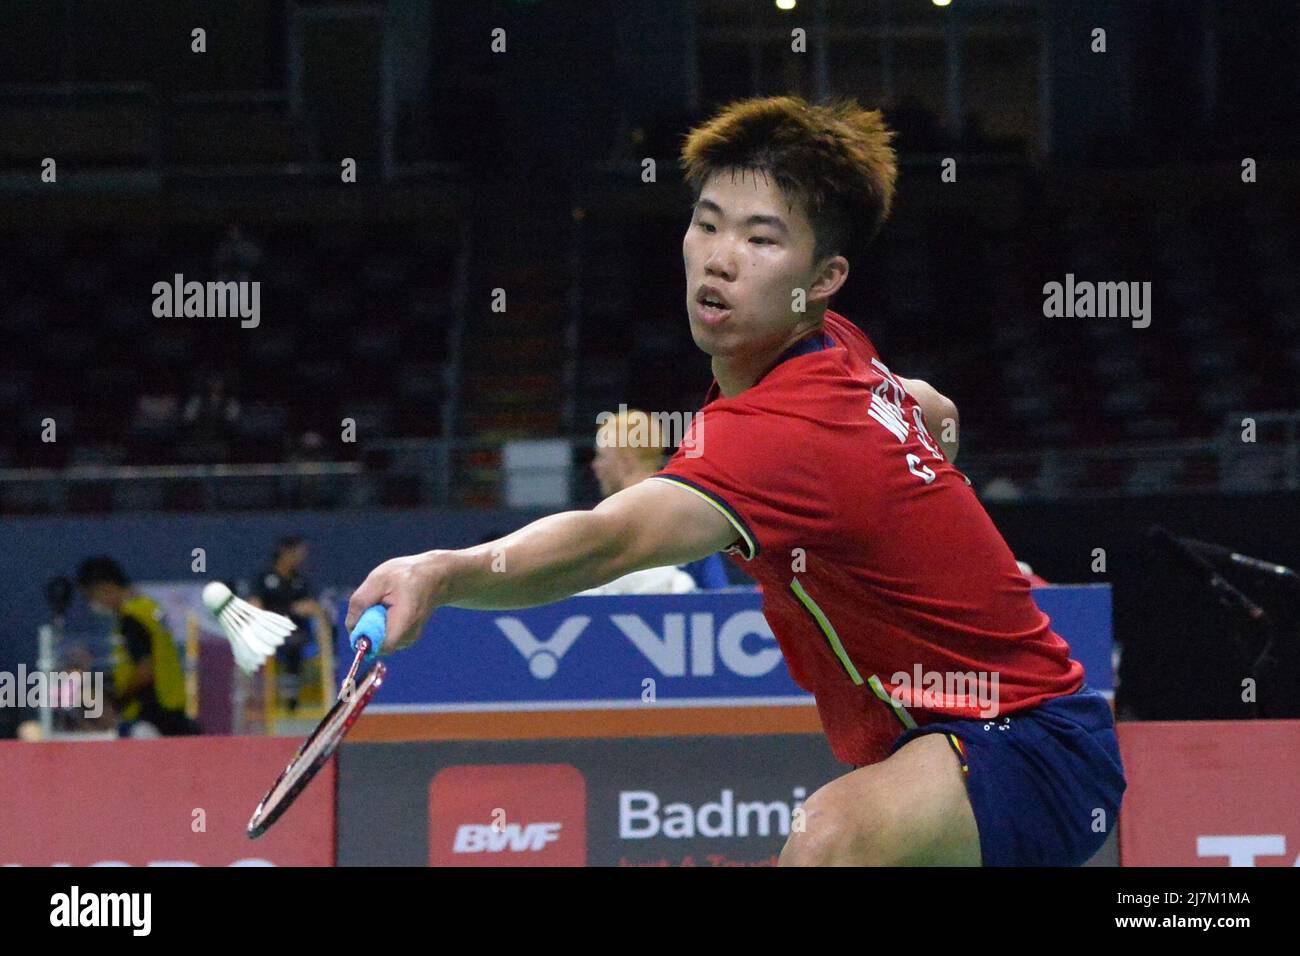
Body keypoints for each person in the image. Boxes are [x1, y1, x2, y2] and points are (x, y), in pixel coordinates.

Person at [346, 96, 1125, 866]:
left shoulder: (785, 431)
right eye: (707, 223)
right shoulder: (834, 351)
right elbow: (934, 409)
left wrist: (442, 573)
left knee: (830, 840)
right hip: (969, 736)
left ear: (824, 278)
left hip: (1023, 743)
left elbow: (608, 542)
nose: (719, 257)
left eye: (761, 239)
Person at [587, 406, 727, 593]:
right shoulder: (692, 512)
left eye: (601, 456)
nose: (596, 466)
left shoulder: (605, 524)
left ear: (625, 462)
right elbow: (719, 599)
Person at [76, 556, 197, 736]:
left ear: (105, 589)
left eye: (91, 597)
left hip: (152, 714)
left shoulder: (131, 618)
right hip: (173, 708)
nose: (93, 605)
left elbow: (145, 668)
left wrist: (118, 698)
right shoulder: (148, 607)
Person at [249, 536, 332, 711]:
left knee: (297, 642)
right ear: (285, 553)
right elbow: (255, 609)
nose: (301, 558)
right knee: (290, 643)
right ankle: (287, 698)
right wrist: (292, 609)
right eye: (298, 553)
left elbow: (312, 607)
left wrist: (316, 612)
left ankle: (296, 699)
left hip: (299, 634)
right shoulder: (263, 579)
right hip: (270, 633)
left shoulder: (300, 580)